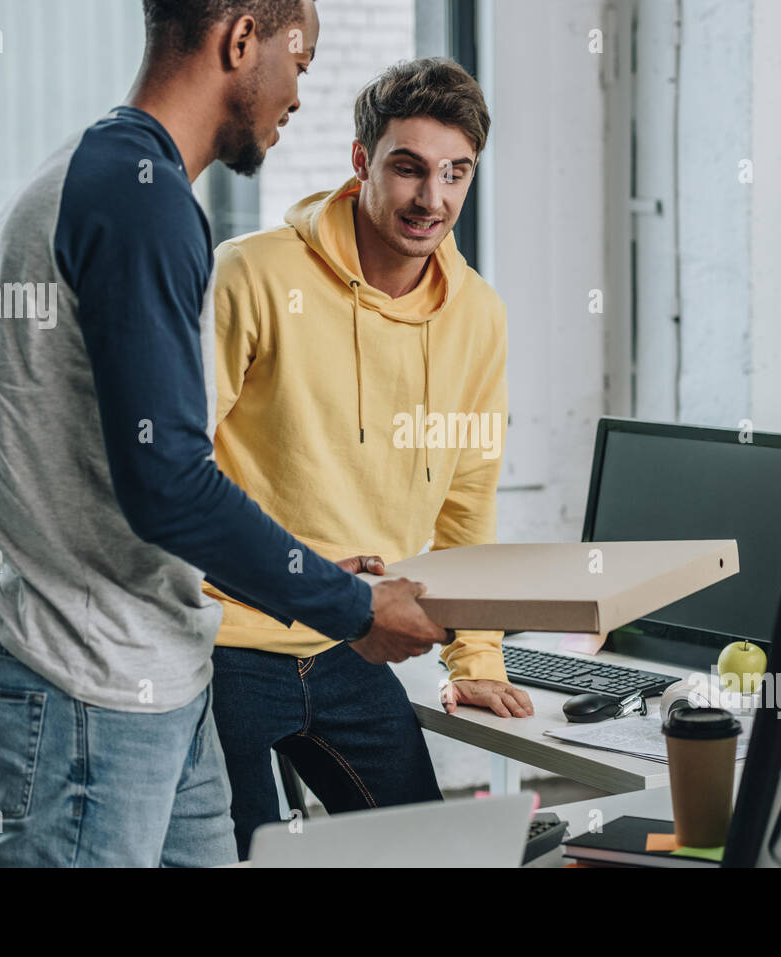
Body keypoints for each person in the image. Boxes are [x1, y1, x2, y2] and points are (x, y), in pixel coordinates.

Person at [0, 0, 446, 868]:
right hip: (86, 683)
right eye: (300, 59)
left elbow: (133, 475)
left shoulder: (100, 174)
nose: (299, 92)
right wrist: (353, 608)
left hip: (154, 668)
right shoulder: (140, 203)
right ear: (242, 39)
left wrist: (318, 575)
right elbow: (168, 483)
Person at [203, 57, 534, 860]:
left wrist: (475, 653)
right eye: (410, 167)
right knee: (239, 857)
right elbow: (178, 470)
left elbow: (465, 497)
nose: (434, 198)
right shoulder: (252, 274)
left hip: (347, 641)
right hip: (226, 641)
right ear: (361, 162)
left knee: (422, 851)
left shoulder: (478, 315)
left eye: (457, 173)